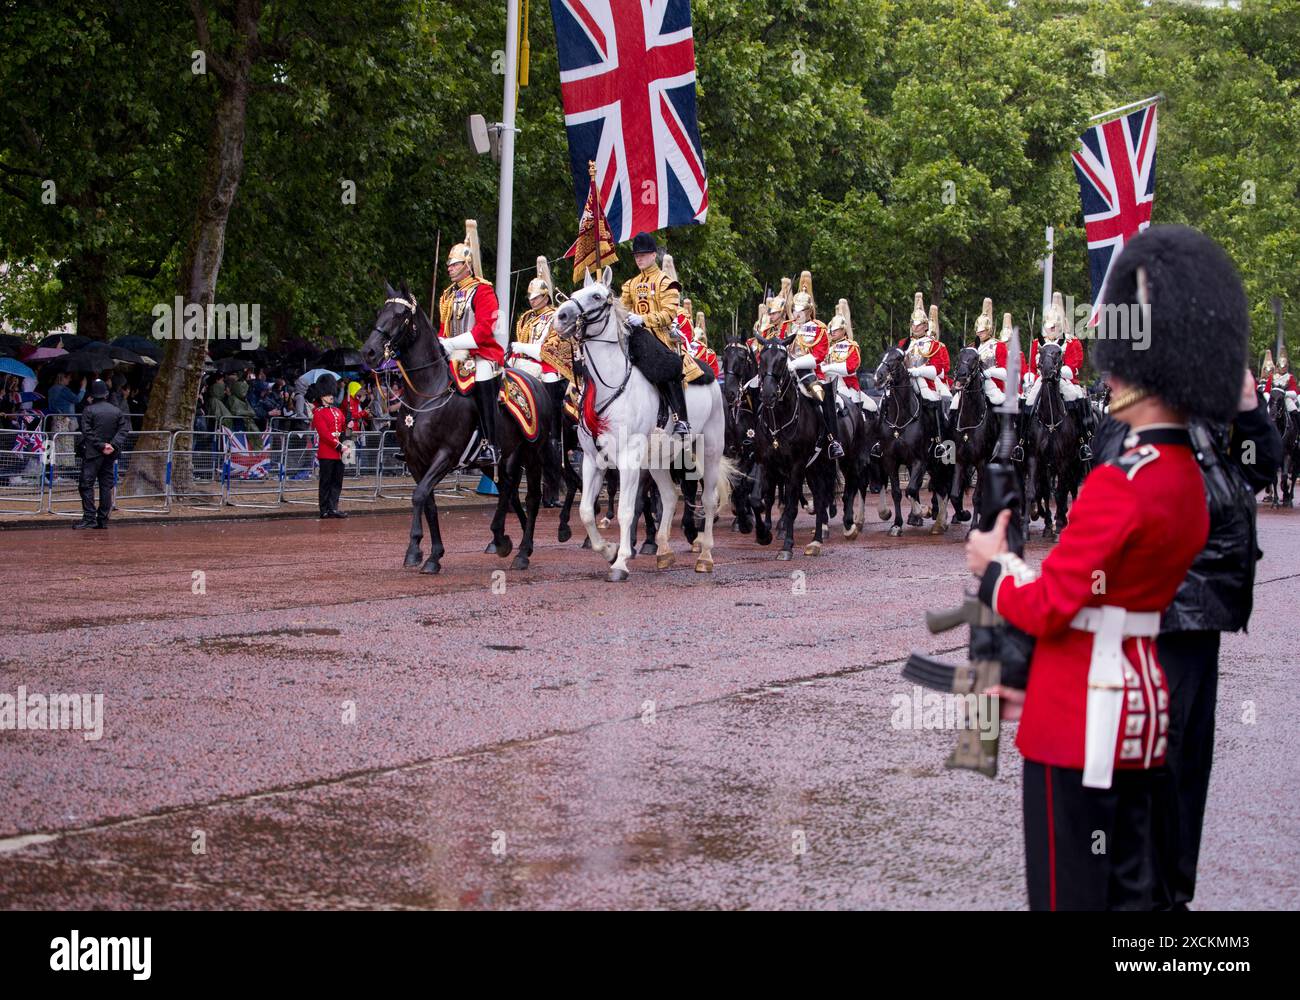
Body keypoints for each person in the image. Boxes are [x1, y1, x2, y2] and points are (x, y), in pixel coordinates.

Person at [964, 224, 1250, 911]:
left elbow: (1052, 603)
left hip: (1081, 717)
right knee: (1131, 901)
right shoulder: (1183, 478)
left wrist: (995, 567)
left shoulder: (1125, 482)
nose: (1109, 375)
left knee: (1069, 897)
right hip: (1143, 705)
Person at [1092, 365, 1280, 910]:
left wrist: (1248, 407)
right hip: (1157, 612)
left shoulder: (1199, 407)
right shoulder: (1137, 417)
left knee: (1189, 764)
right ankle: (1143, 895)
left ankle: (1172, 892)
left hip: (1203, 614)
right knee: (1157, 761)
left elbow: (1257, 470)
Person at [619, 232, 700, 436]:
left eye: (643, 255)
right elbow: (622, 308)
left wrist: (643, 320)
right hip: (635, 338)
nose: (639, 258)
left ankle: (682, 421)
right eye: (636, 255)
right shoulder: (630, 284)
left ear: (653, 255)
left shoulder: (666, 283)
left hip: (660, 338)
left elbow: (669, 313)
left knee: (668, 368)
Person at [778, 271, 844, 458]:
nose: (797, 313)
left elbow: (819, 355)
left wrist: (795, 364)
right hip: (784, 370)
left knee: (821, 396)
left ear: (809, 311)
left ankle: (833, 440)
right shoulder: (786, 326)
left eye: (802, 310)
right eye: (795, 309)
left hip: (809, 372)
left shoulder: (819, 328)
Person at [74, 379, 131, 530]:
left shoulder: (89, 410)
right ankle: (103, 518)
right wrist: (112, 445)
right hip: (110, 453)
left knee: (86, 484)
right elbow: (124, 430)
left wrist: (101, 445)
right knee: (106, 485)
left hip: (93, 453)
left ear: (93, 394)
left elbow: (87, 431)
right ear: (105, 394)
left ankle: (89, 517)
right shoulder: (116, 411)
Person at [903, 294, 950, 449]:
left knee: (933, 401)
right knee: (886, 399)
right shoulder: (904, 343)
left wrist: (916, 371)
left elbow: (937, 369)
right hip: (903, 380)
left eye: (919, 325)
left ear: (925, 326)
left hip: (923, 381)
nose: (915, 327)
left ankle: (938, 440)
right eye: (913, 324)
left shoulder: (933, 345)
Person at [312, 375, 347, 519]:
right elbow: (325, 435)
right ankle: (324, 509)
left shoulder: (338, 411)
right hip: (327, 453)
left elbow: (344, 430)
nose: (331, 396)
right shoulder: (318, 413)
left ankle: (333, 507)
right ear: (322, 396)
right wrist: (340, 446)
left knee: (337, 482)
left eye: (331, 393)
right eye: (328, 394)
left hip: (340, 453)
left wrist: (349, 427)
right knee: (326, 482)